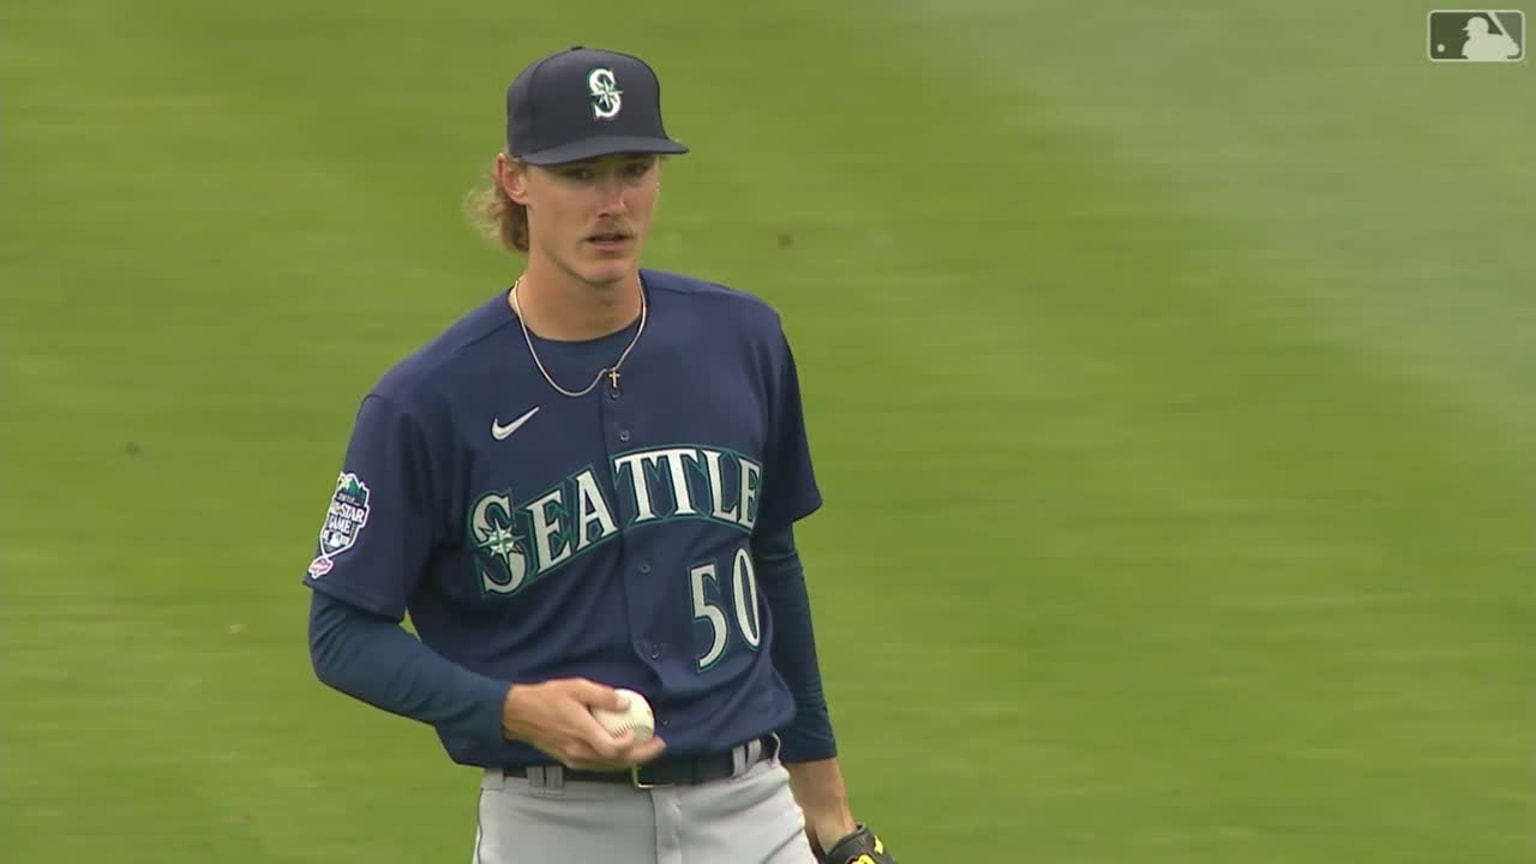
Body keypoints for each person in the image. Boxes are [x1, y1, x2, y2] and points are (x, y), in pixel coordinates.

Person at [300, 45, 899, 864]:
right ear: (516, 180)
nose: (612, 203)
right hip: (554, 829)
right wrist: (512, 709)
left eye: (633, 169)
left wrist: (826, 810)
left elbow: (771, 563)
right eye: (580, 175)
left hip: (754, 816)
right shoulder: (427, 402)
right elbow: (340, 632)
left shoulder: (742, 339)